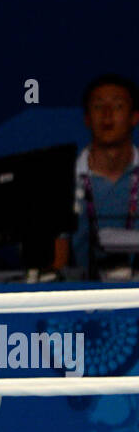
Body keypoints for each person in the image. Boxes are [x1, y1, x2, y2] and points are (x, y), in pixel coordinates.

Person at [63, 74, 139, 279]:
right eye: (98, 107)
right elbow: (56, 264)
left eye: (118, 106)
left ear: (134, 117)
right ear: (87, 119)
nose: (107, 115)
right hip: (81, 298)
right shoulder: (64, 181)